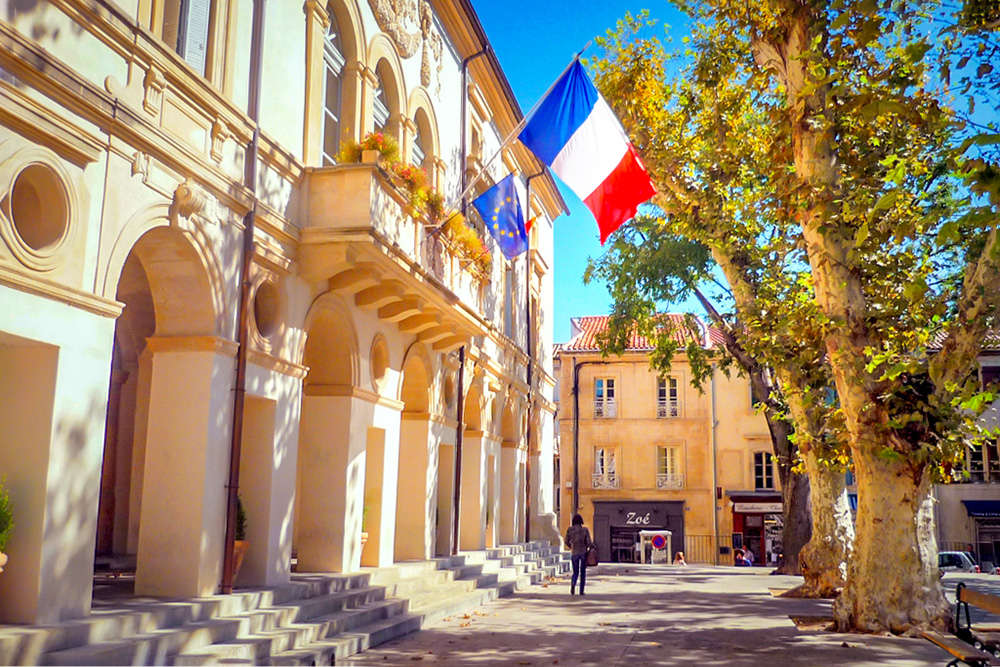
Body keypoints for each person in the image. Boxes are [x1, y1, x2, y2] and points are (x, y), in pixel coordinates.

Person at [564, 513, 594, 595]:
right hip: (583, 552)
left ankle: (573, 585)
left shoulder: (570, 530)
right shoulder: (585, 530)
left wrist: (571, 546)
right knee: (583, 572)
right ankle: (581, 590)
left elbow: (566, 541)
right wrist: (591, 546)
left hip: (574, 552)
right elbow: (589, 542)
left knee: (575, 571)